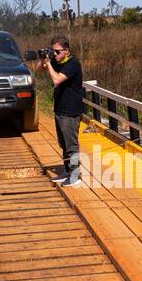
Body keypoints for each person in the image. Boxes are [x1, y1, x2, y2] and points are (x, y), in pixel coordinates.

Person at [40, 33, 84, 186]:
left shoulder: (72, 64)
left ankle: (75, 176)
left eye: (58, 51)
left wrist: (50, 64)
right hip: (60, 109)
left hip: (71, 111)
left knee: (71, 145)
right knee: (63, 143)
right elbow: (39, 70)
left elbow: (57, 80)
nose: (55, 54)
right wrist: (44, 59)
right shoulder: (57, 60)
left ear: (67, 50)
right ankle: (67, 170)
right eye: (53, 51)